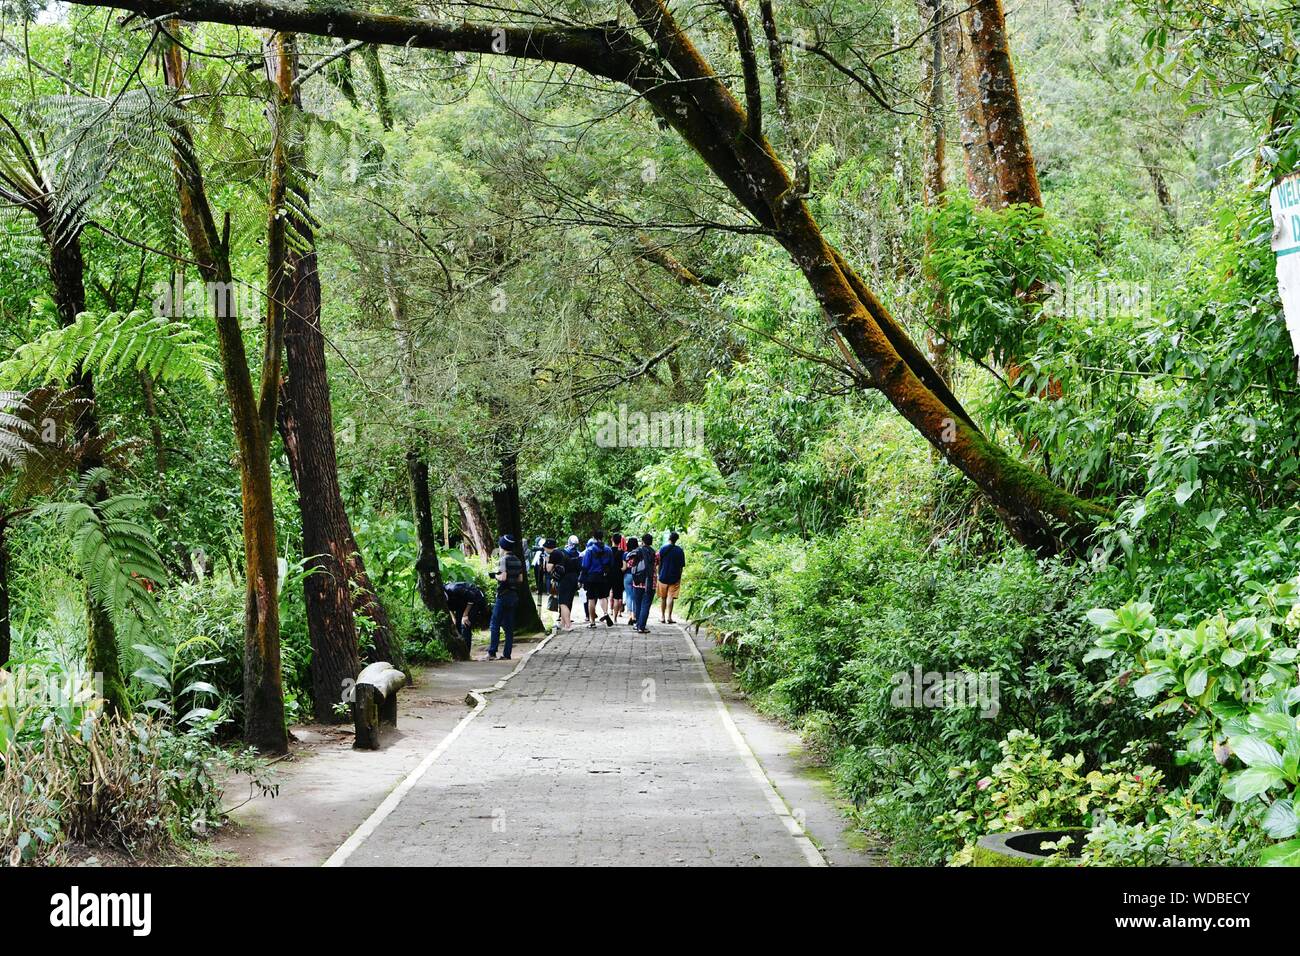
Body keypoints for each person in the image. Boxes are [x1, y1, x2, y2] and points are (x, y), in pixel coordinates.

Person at [488, 534, 525, 660]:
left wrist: (495, 576)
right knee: (509, 627)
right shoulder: (518, 560)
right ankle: (507, 654)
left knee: (494, 623)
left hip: (503, 595)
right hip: (514, 595)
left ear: (503, 546)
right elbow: (520, 579)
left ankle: (492, 652)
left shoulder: (504, 559)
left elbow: (503, 577)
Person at [548, 534, 582, 632]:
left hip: (565, 579)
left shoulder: (563, 552)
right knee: (569, 601)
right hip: (574, 578)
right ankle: (563, 623)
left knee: (563, 602)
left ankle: (568, 625)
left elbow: (552, 567)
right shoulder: (578, 554)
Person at [581, 531, 615, 627]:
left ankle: (592, 622)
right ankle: (605, 613)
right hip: (603, 577)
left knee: (591, 599)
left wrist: (582, 578)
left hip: (591, 577)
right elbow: (611, 564)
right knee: (603, 597)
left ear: (594, 538)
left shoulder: (589, 550)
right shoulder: (608, 550)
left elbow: (585, 565)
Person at [444, 579, 488, 651]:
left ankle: (466, 652)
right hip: (462, 603)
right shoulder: (439, 598)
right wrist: (453, 618)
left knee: (464, 624)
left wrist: (465, 615)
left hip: (475, 598)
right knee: (457, 625)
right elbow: (449, 606)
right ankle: (460, 651)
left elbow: (471, 598)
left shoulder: (454, 589)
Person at [627, 534, 657, 633]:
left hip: (637, 582)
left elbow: (629, 564)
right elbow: (656, 564)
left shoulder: (637, 552)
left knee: (638, 604)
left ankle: (637, 625)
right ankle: (641, 626)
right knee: (646, 605)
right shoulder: (655, 553)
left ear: (642, 542)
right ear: (651, 542)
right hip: (650, 582)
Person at [657, 531, 686, 624]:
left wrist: (658, 573)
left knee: (663, 598)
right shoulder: (680, 550)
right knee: (670, 597)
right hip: (674, 577)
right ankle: (669, 617)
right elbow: (681, 566)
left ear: (669, 538)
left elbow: (659, 562)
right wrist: (679, 577)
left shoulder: (663, 549)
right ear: (677, 539)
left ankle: (662, 617)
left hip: (663, 576)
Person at [608, 531, 626, 624]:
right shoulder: (622, 552)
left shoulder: (607, 551)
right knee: (617, 597)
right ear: (620, 541)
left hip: (608, 575)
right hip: (618, 576)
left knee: (604, 596)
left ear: (612, 540)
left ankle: (606, 613)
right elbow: (624, 567)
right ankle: (615, 618)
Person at [531, 534, 549, 604]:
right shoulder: (538, 550)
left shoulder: (545, 551)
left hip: (542, 564)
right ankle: (540, 589)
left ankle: (545, 590)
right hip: (538, 564)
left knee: (546, 577)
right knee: (537, 577)